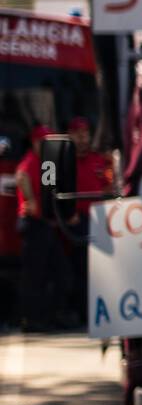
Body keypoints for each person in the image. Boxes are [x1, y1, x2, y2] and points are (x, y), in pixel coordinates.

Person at [14, 125, 76, 331]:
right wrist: (32, 200)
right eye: (42, 141)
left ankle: (52, 315)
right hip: (34, 224)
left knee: (58, 271)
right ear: (34, 142)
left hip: (45, 224)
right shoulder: (30, 162)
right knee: (34, 275)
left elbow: (50, 191)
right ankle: (31, 319)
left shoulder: (47, 163)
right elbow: (21, 177)